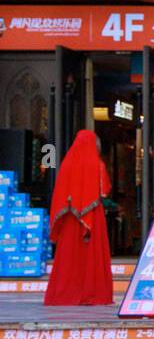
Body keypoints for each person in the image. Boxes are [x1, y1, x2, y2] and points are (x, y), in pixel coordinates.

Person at [44, 130, 113, 306]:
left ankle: (64, 293)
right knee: (92, 255)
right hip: (93, 216)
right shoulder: (97, 164)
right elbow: (104, 190)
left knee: (68, 256)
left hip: (70, 217)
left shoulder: (67, 163)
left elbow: (60, 194)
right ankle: (93, 293)